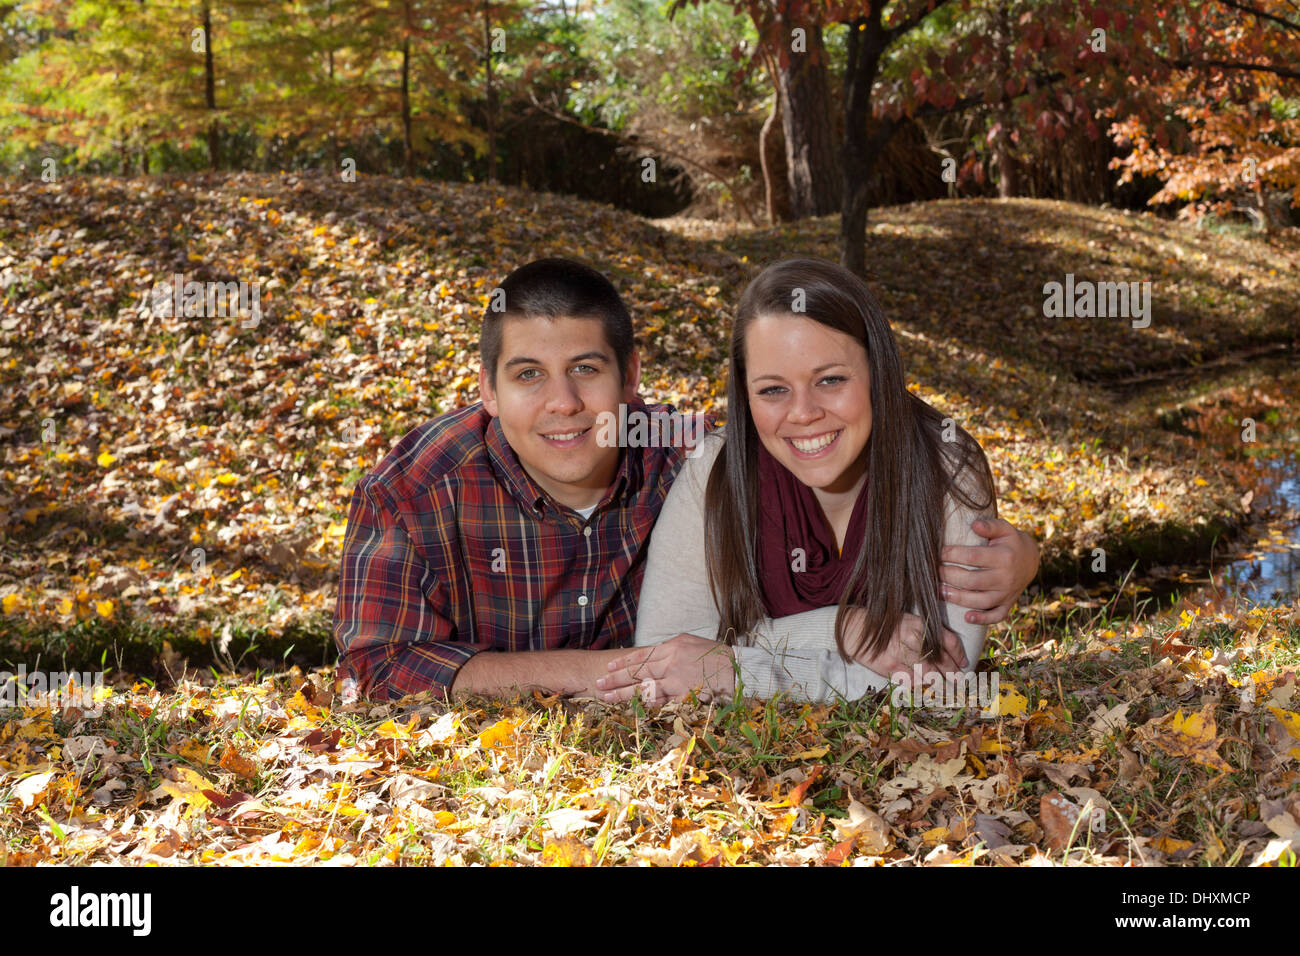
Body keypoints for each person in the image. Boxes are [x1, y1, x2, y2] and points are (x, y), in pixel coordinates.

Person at [333, 257, 1038, 702]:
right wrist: (839, 634)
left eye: (586, 368)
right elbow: (381, 667)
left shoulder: (688, 454)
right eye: (527, 376)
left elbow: (940, 677)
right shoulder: (413, 491)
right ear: (485, 389)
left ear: (631, 377)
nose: (563, 404)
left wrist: (1026, 555)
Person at [598, 257, 1022, 706]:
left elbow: (939, 680)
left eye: (831, 379)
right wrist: (845, 629)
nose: (803, 413)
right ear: (745, 392)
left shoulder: (949, 470)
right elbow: (663, 655)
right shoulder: (714, 469)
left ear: (879, 372)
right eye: (773, 390)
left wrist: (738, 670)